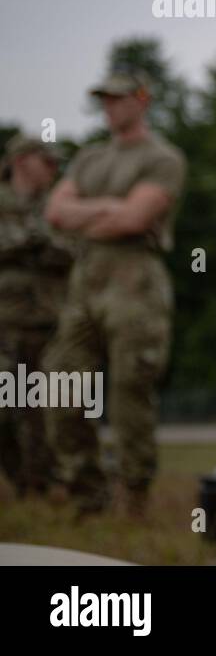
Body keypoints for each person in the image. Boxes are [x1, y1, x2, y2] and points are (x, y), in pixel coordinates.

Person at [44, 72, 186, 517]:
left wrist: (87, 214)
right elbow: (54, 211)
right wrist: (109, 207)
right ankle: (87, 488)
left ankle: (133, 496)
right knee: (60, 382)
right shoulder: (89, 158)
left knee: (130, 387)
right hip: (86, 277)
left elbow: (133, 220)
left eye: (118, 99)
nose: (110, 108)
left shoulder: (162, 158)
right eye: (104, 100)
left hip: (135, 277)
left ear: (142, 101)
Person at [0, 135, 72, 496]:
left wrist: (34, 245)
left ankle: (37, 484)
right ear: (23, 160)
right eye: (48, 162)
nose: (54, 170)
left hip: (48, 321)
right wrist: (25, 244)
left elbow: (72, 248)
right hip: (3, 322)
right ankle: (16, 475)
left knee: (43, 409)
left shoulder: (56, 203)